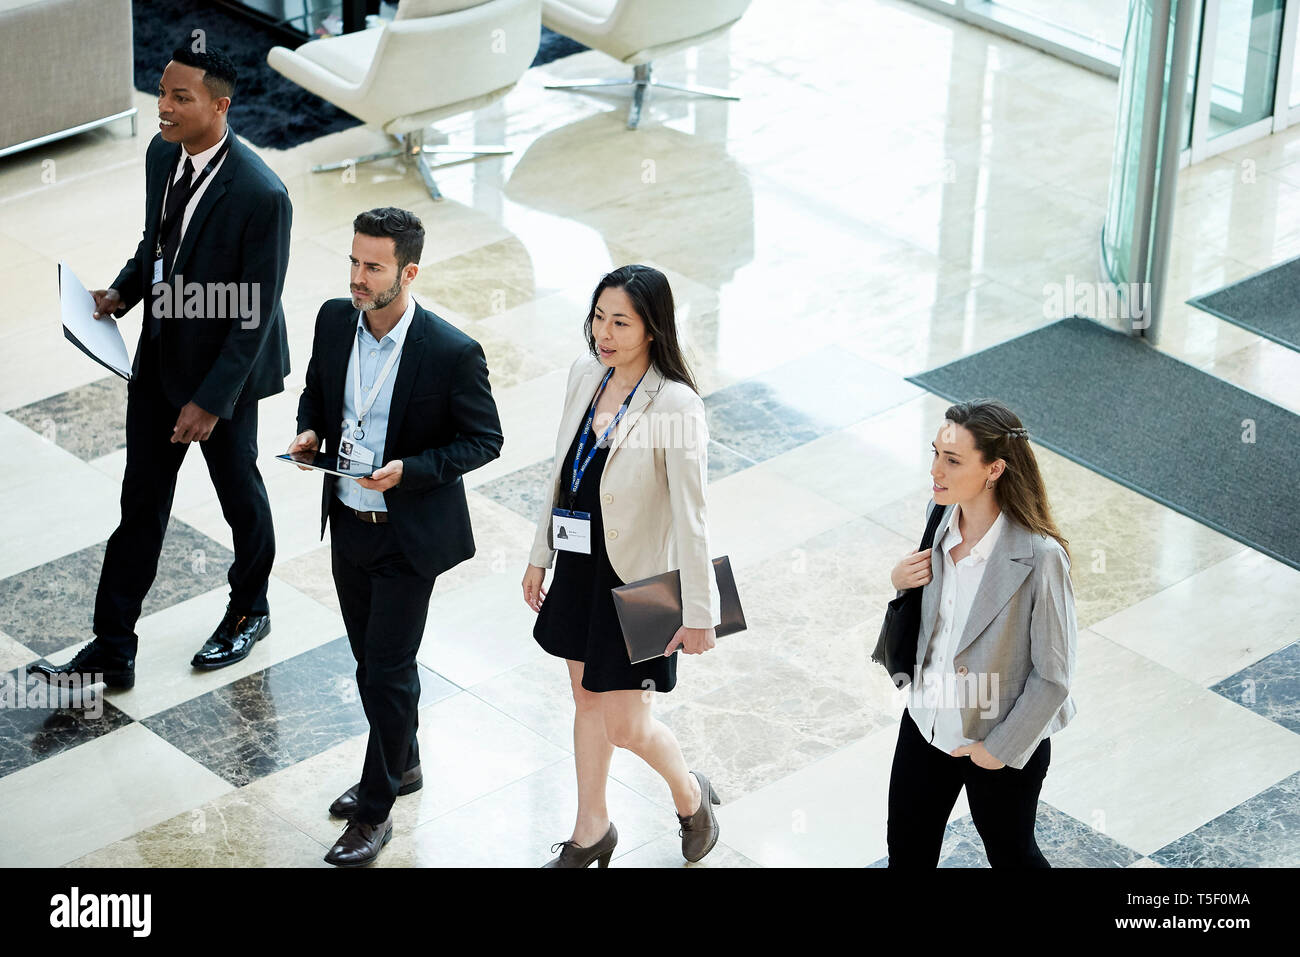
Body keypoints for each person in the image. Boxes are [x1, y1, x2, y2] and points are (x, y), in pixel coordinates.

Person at [29, 45, 291, 691]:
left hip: (225, 378)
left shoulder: (262, 195)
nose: (164, 108)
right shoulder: (158, 155)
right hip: (159, 363)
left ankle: (250, 606)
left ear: (219, 106)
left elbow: (253, 317)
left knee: (240, 497)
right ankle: (113, 645)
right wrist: (122, 292)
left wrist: (210, 401)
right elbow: (157, 244)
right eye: (162, 94)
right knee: (140, 504)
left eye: (181, 98)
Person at [289, 207, 503, 867]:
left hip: (407, 536)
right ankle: (404, 759)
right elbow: (317, 391)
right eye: (353, 261)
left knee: (388, 669)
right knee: (367, 661)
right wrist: (308, 431)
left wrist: (411, 470)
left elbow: (484, 439)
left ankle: (376, 811)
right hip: (348, 522)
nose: (357, 276)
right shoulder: (333, 319)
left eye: (372, 266)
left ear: (408, 272)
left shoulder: (449, 351)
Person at [521, 264, 723, 868]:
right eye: (598, 318)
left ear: (653, 329)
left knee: (627, 726)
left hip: (641, 582)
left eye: (620, 323)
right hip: (579, 567)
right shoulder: (586, 375)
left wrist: (700, 612)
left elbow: (693, 516)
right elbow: (562, 473)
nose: (604, 334)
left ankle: (692, 798)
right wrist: (539, 556)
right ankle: (591, 830)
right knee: (585, 700)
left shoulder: (676, 403)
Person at [885, 399, 1077, 868]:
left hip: (998, 736)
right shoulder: (939, 515)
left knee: (1012, 855)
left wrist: (998, 751)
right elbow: (933, 621)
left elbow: (1054, 675)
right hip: (927, 722)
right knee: (906, 854)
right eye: (935, 454)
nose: (936, 470)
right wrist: (899, 581)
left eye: (952, 461)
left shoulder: (1040, 556)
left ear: (994, 469)